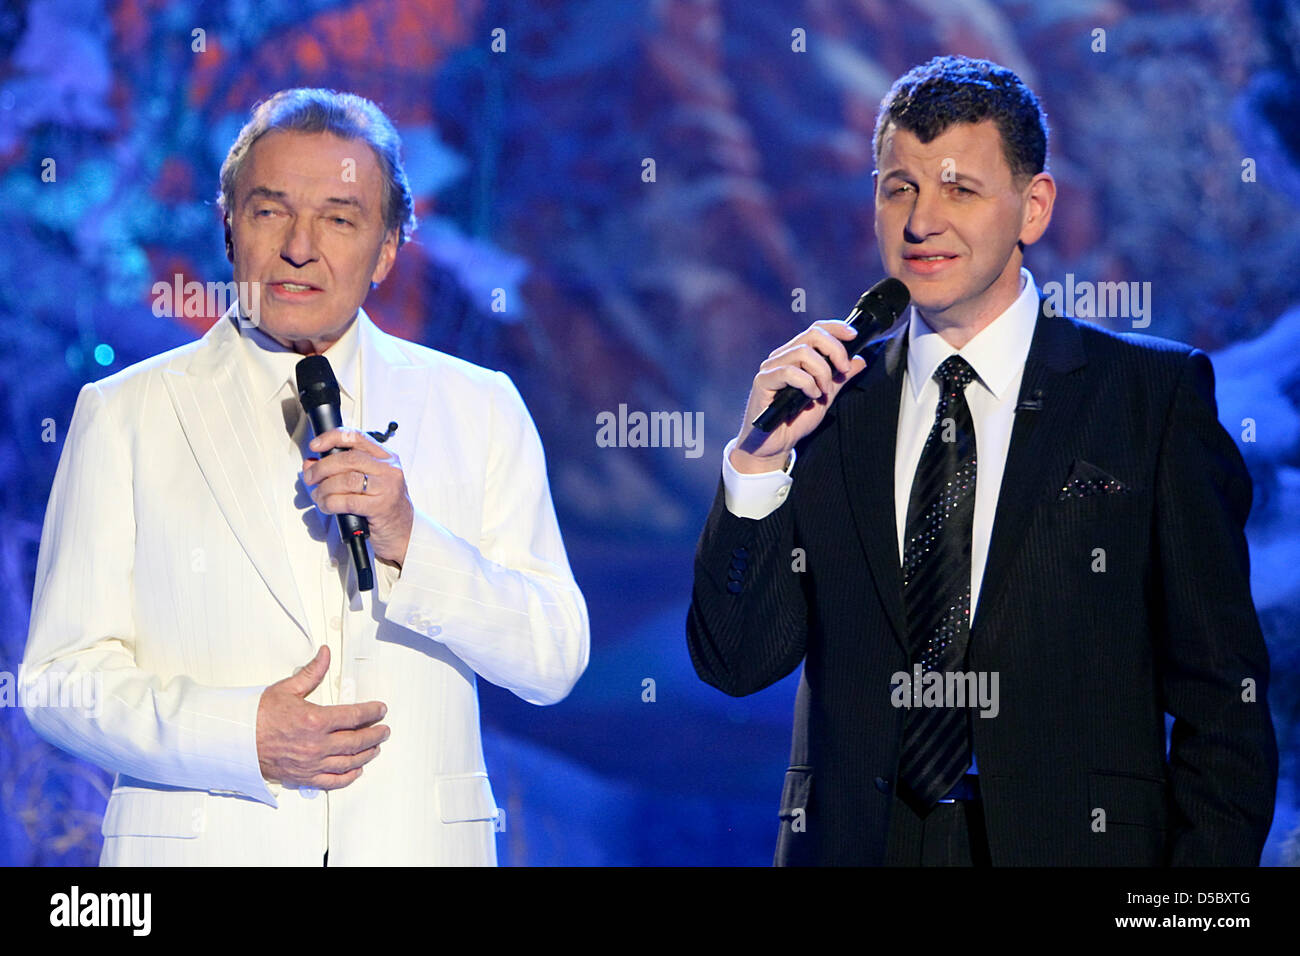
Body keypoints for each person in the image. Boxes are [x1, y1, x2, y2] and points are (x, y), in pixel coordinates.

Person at [686, 55, 1277, 866]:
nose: (923, 220)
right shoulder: (829, 410)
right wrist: (756, 465)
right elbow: (735, 662)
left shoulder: (1149, 395)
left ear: (1033, 208)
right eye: (900, 188)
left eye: (960, 189)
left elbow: (1224, 701)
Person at [21, 88, 589, 866]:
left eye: (340, 218)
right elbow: (59, 681)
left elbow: (553, 657)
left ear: (388, 248)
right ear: (228, 226)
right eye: (269, 211)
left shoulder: (478, 407)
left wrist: (409, 541)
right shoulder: (126, 412)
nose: (300, 247)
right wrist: (239, 735)